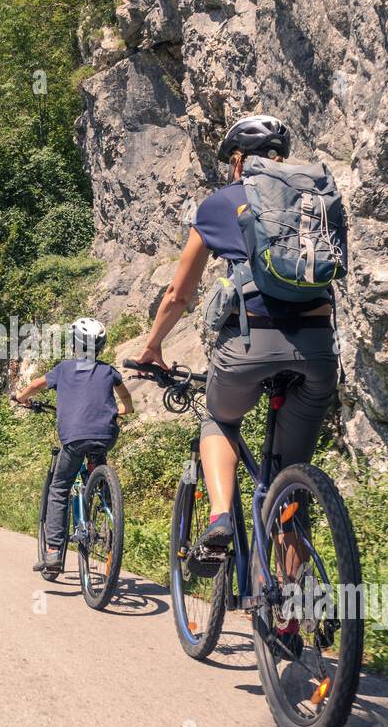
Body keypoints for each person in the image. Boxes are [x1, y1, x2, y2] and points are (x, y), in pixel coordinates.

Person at [132, 114, 339, 581]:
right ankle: (289, 609)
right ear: (280, 157)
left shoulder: (218, 204)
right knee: (292, 480)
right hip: (319, 346)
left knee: (220, 420)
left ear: (239, 161)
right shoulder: (313, 200)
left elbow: (178, 296)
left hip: (249, 344)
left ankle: (220, 519)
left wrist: (152, 347)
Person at [13, 317, 135, 571]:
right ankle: (104, 499)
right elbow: (125, 398)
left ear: (74, 345)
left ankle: (54, 551)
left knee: (59, 488)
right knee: (97, 460)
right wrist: (125, 409)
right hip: (105, 434)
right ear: (100, 347)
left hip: (75, 437)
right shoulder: (108, 371)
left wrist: (21, 397)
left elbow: (36, 385)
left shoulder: (64, 369)